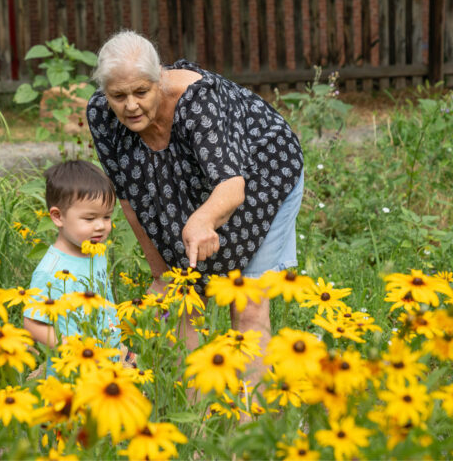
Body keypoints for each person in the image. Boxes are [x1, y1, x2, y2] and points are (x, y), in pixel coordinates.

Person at [86, 30, 304, 386]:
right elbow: (129, 197)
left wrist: (202, 220)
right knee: (184, 294)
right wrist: (161, 273)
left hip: (262, 174)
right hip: (193, 179)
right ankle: (194, 426)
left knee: (247, 301)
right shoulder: (101, 115)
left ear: (160, 79)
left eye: (141, 92)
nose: (130, 106)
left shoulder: (197, 100)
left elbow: (231, 187)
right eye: (118, 95)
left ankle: (252, 424)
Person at [23, 161, 123, 358]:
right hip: (75, 368)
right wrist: (70, 346)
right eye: (89, 218)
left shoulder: (97, 252)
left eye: (106, 217)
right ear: (58, 216)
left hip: (108, 357)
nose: (101, 226)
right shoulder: (50, 270)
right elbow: (32, 323)